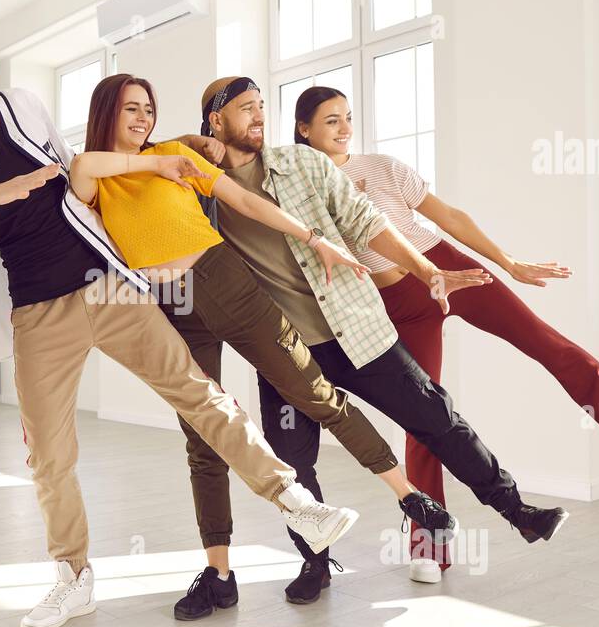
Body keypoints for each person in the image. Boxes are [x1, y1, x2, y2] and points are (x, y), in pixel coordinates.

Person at [0, 7, 359, 627]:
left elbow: (92, 166)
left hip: (109, 287)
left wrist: (173, 151)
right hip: (37, 312)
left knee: (199, 394)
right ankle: (73, 578)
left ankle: (296, 503)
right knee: (49, 454)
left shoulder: (23, 106)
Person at [69, 73, 462, 616]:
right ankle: (219, 574)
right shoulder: (103, 172)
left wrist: (313, 239)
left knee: (312, 391)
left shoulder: (176, 157)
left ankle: (408, 496)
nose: (143, 119)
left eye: (149, 109)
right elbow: (85, 166)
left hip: (223, 278)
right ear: (105, 112)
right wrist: (163, 159)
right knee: (202, 437)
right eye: (131, 108)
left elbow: (245, 202)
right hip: (173, 306)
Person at [293, 85, 599, 570]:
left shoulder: (384, 167)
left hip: (449, 267)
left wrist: (508, 262)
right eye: (331, 121)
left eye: (347, 117)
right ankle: (429, 545)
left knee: (546, 343)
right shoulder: (304, 192)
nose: (345, 129)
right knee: (423, 413)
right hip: (396, 302)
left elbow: (449, 217)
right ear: (304, 130)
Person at [195, 76, 571, 597]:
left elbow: (365, 221)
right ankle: (315, 564)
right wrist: (195, 147)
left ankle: (517, 510)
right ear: (216, 120)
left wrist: (426, 270)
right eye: (245, 108)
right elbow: (149, 163)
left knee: (437, 418)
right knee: (294, 466)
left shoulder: (303, 164)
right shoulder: (200, 191)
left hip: (356, 329)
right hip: (284, 349)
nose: (259, 116)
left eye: (261, 106)